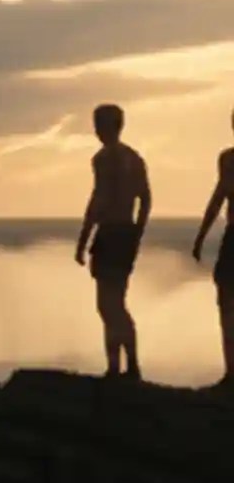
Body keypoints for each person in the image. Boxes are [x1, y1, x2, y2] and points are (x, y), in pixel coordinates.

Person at [75, 103, 151, 380]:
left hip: (110, 234)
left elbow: (99, 199)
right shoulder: (135, 157)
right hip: (124, 235)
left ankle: (122, 367)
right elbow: (145, 199)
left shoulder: (104, 159)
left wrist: (83, 239)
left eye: (99, 124)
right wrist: (137, 232)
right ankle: (123, 366)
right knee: (114, 303)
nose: (96, 130)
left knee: (109, 305)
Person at [191, 109, 234, 387]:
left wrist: (200, 237)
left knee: (227, 303)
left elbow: (219, 197)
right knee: (226, 301)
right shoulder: (228, 159)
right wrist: (200, 236)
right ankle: (231, 374)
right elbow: (218, 198)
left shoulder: (228, 160)